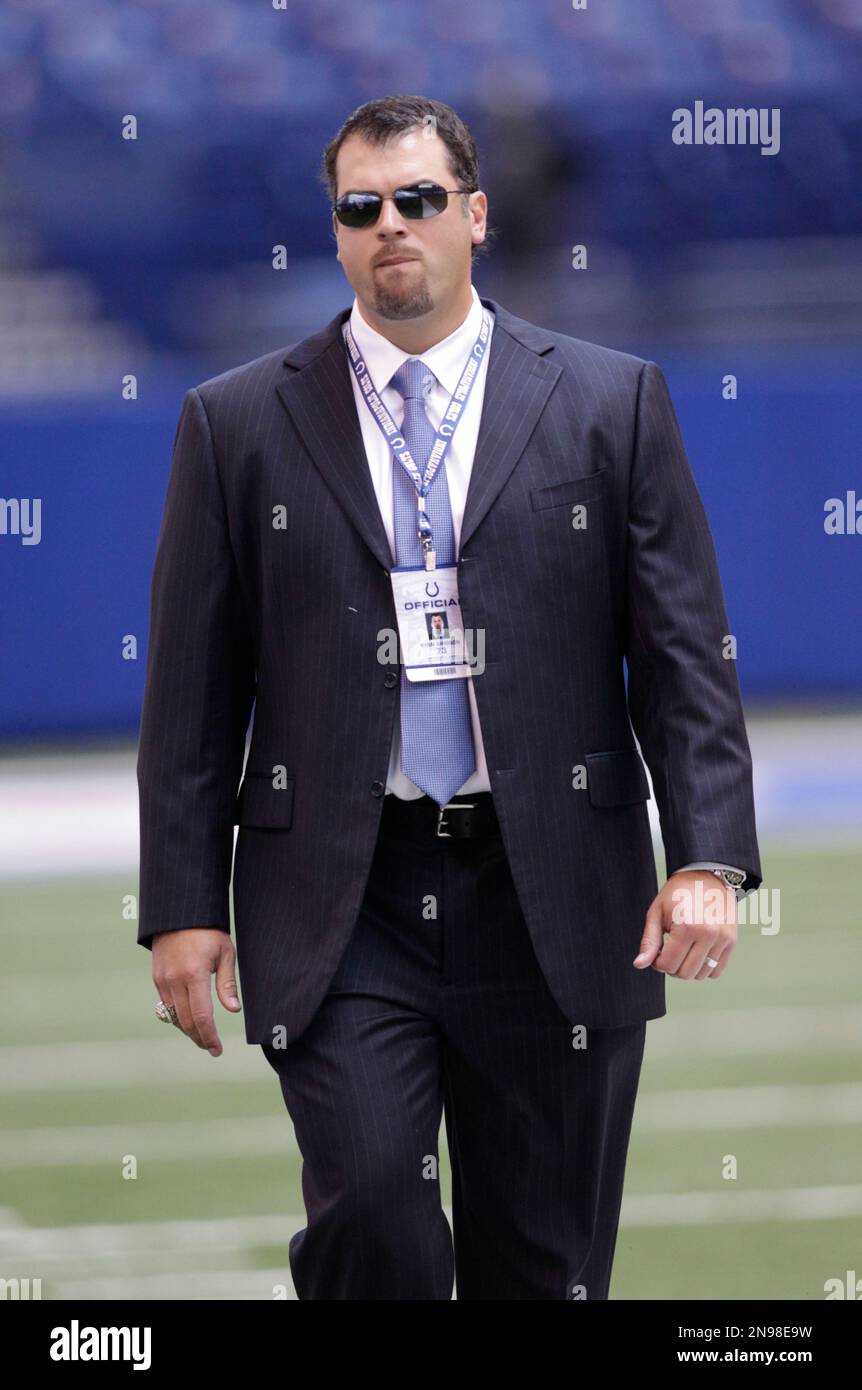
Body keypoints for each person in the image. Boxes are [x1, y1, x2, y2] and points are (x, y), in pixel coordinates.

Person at [137, 95, 761, 1300]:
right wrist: (178, 899)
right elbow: (190, 688)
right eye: (360, 208)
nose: (391, 226)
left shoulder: (607, 399)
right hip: (341, 888)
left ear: (475, 215)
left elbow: (683, 652)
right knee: (374, 1209)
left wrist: (708, 858)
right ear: (335, 234)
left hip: (555, 895)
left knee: (547, 1265)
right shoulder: (234, 422)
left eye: (418, 200)